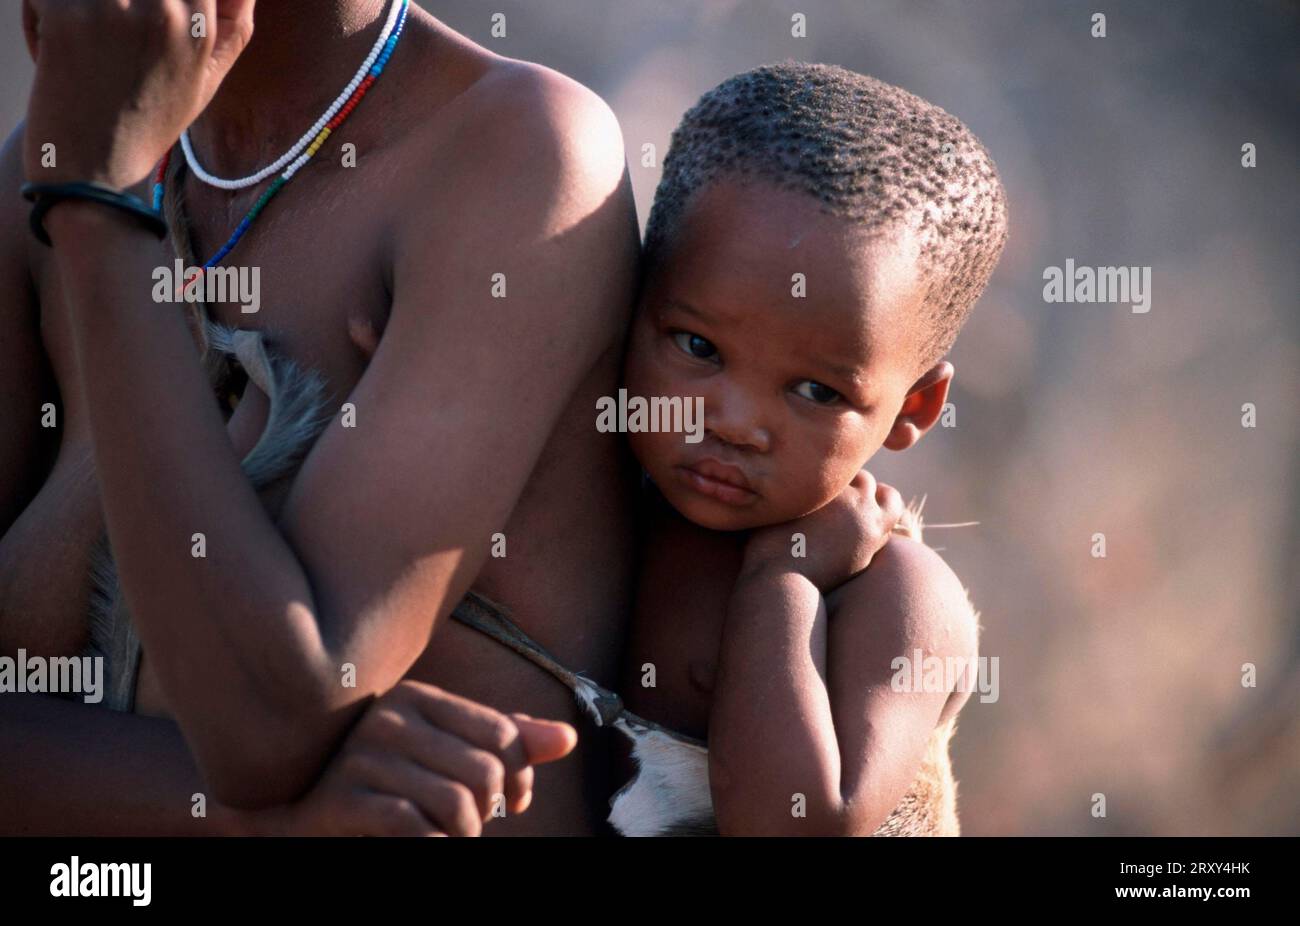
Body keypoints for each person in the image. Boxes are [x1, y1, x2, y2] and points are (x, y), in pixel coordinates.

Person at [0, 0, 640, 835]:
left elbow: (262, 729)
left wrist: (100, 206)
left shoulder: (519, 155)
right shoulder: (48, 159)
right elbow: (268, 768)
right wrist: (262, 820)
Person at [442, 63, 1008, 835]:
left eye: (817, 392)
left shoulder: (889, 597)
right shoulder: (590, 482)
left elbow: (800, 823)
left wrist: (782, 583)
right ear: (630, 300)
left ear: (914, 408)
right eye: (697, 346)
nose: (736, 422)